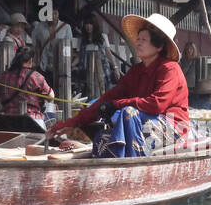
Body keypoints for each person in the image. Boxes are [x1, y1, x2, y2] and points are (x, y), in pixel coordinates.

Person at [47, 12, 189, 157]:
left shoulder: (170, 68)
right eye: (138, 39)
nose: (138, 43)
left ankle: (135, 165)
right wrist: (71, 123)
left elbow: (157, 104)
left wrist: (117, 104)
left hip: (174, 127)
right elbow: (108, 99)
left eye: (144, 40)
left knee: (128, 112)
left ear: (158, 46)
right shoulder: (136, 71)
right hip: (145, 124)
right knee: (102, 138)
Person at [0, 47, 55, 125]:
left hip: (7, 121)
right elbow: (51, 96)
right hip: (33, 121)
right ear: (31, 60)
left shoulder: (2, 76)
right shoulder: (35, 76)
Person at [78, 17, 116, 97]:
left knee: (105, 92)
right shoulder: (82, 39)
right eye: (86, 24)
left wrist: (115, 67)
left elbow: (108, 53)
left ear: (95, 25)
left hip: (102, 71)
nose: (88, 26)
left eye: (90, 24)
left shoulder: (102, 37)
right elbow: (80, 56)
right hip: (87, 71)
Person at [33, 4, 74, 77]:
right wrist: (37, 62)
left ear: (58, 14)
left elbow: (69, 47)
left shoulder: (66, 27)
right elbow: (37, 46)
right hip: (44, 66)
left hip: (60, 66)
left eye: (55, 13)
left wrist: (68, 64)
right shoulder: (40, 27)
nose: (52, 16)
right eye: (50, 14)